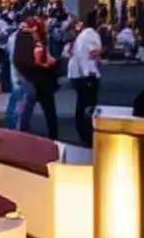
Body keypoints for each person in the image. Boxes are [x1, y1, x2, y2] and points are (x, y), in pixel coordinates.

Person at [14, 17, 59, 140]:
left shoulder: (36, 37)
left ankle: (21, 135)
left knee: (27, 110)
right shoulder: (26, 37)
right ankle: (22, 135)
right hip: (35, 79)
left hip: (37, 79)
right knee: (28, 110)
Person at [67, 11, 103, 147]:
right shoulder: (91, 36)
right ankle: (87, 134)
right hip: (87, 75)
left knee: (82, 104)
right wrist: (89, 74)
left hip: (78, 74)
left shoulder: (82, 36)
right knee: (87, 105)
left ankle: (84, 133)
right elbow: (90, 56)